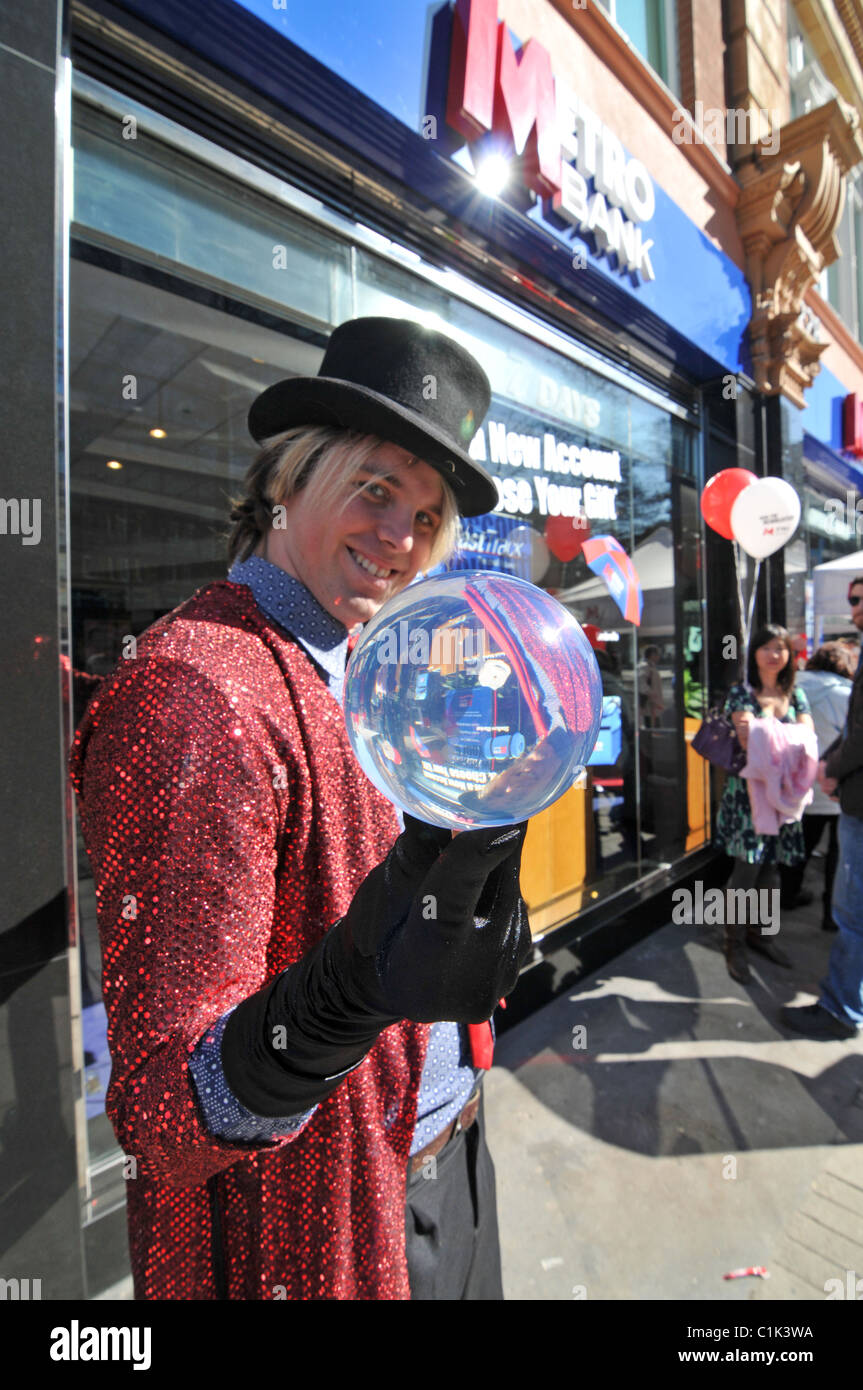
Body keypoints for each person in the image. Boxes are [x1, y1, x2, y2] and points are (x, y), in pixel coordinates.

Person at [68, 316, 534, 1300]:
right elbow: (161, 1114)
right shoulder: (196, 693)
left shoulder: (377, 666)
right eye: (375, 489)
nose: (398, 540)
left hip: (450, 1163)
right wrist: (343, 997)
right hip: (325, 1235)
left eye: (424, 516)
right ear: (285, 479)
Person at [782, 578, 863, 1039]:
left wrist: (832, 769)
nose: (852, 607)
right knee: (838, 872)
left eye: (858, 599)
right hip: (831, 793)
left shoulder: (804, 686)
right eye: (850, 598)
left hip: (823, 791)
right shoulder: (841, 688)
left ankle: (841, 1008)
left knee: (808, 855)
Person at [714, 625, 815, 983]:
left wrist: (766, 733)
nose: (775, 654)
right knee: (745, 873)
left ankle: (762, 935)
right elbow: (746, 739)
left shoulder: (796, 694)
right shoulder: (740, 694)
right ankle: (734, 944)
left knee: (770, 874)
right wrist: (786, 737)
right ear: (754, 652)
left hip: (784, 798)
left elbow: (806, 738)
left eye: (781, 648)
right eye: (767, 647)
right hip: (748, 799)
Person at [781, 642, 854, 927]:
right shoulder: (847, 694)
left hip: (798, 785)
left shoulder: (794, 688)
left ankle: (788, 895)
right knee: (838, 853)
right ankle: (830, 914)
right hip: (835, 786)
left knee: (797, 845)